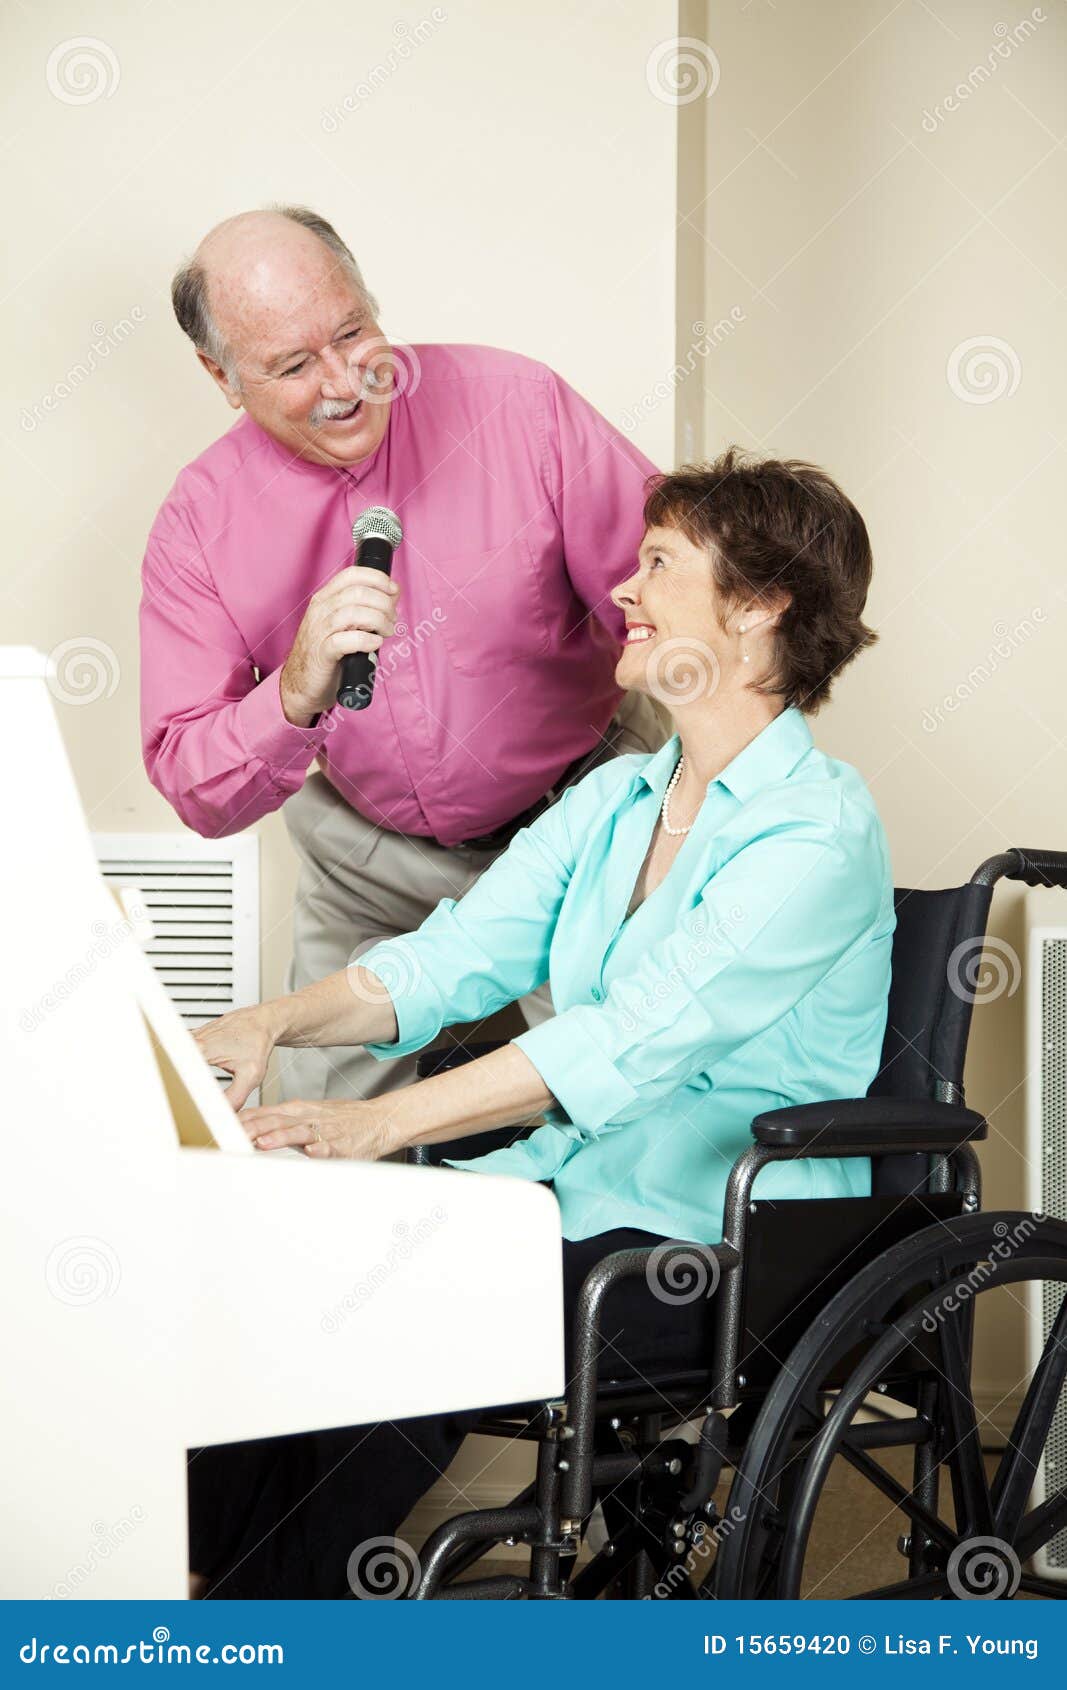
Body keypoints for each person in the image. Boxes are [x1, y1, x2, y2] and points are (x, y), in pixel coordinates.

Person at [188, 449, 896, 1598]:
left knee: (417, 1288)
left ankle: (272, 1620)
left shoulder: (816, 834)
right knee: (293, 1257)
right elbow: (457, 957)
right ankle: (209, 1594)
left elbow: (625, 1041)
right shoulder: (616, 797)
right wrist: (268, 1025)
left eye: (659, 563)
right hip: (567, 1185)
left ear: (760, 607)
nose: (623, 585)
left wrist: (374, 1128)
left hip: (717, 1235)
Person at [140, 204, 667, 1110]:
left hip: (578, 828)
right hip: (367, 863)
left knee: (632, 1115)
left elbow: (676, 608)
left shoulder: (521, 406)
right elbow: (195, 786)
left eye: (352, 333)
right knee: (303, 1140)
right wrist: (293, 695)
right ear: (220, 376)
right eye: (294, 365)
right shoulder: (199, 519)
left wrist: (710, 816)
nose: (346, 382)